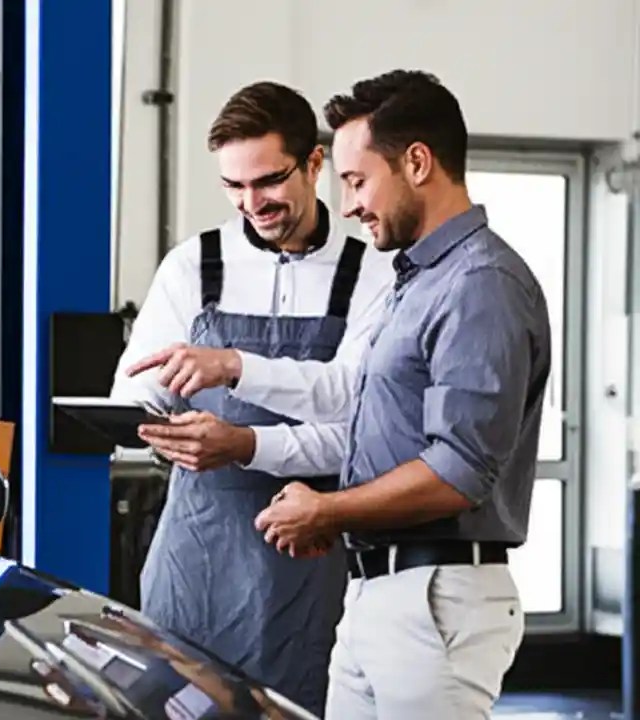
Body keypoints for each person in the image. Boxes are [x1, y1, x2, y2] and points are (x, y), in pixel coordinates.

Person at [139, 69, 550, 719]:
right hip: (371, 580)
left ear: (416, 162)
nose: (352, 204)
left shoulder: (475, 286)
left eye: (358, 182)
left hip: (427, 588)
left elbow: (459, 469)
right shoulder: (423, 281)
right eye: (235, 187)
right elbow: (353, 403)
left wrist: (323, 506)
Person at [109, 80, 395, 716]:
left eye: (267, 181)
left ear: (315, 164)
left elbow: (356, 423)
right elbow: (133, 394)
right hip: (196, 547)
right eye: (234, 187)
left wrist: (237, 437)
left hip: (311, 551)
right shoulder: (194, 265)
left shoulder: (370, 274)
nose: (251, 203)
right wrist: (164, 427)